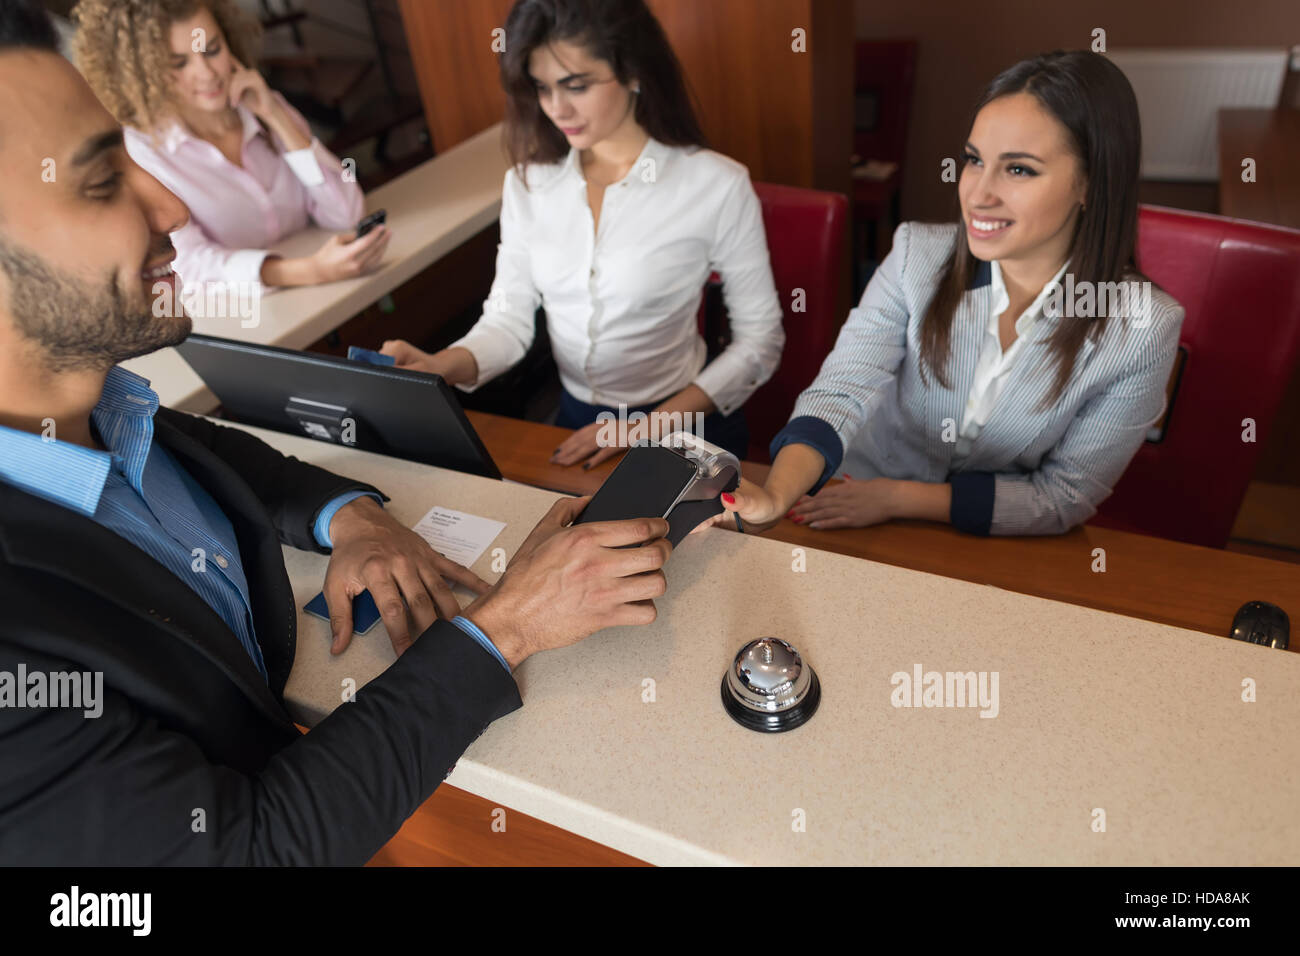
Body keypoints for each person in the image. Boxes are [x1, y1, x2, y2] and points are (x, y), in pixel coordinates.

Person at [0, 3, 670, 865]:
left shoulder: (108, 414)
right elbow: (254, 853)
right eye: (99, 182)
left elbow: (211, 453)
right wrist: (508, 625)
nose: (170, 206)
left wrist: (350, 515)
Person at [715, 50, 1185, 537]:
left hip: (989, 536)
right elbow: (841, 390)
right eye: (974, 160)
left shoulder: (1144, 328)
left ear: (1091, 182)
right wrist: (775, 494)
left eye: (1019, 169)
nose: (979, 194)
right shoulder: (917, 254)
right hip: (846, 499)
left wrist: (897, 497)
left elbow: (1066, 494)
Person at [379, 0, 784, 468]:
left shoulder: (715, 185)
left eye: (577, 86)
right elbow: (508, 320)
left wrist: (642, 429)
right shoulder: (530, 182)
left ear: (633, 72)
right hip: (575, 421)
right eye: (542, 88)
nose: (556, 108)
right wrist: (439, 366)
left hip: (680, 420)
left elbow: (760, 341)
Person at [70, 0, 387, 314]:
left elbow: (347, 213)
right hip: (253, 321)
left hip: (334, 300)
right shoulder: (142, 152)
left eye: (212, 49)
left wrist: (275, 116)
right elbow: (189, 266)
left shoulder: (267, 108)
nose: (206, 73)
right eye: (178, 63)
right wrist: (309, 271)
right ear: (143, 73)